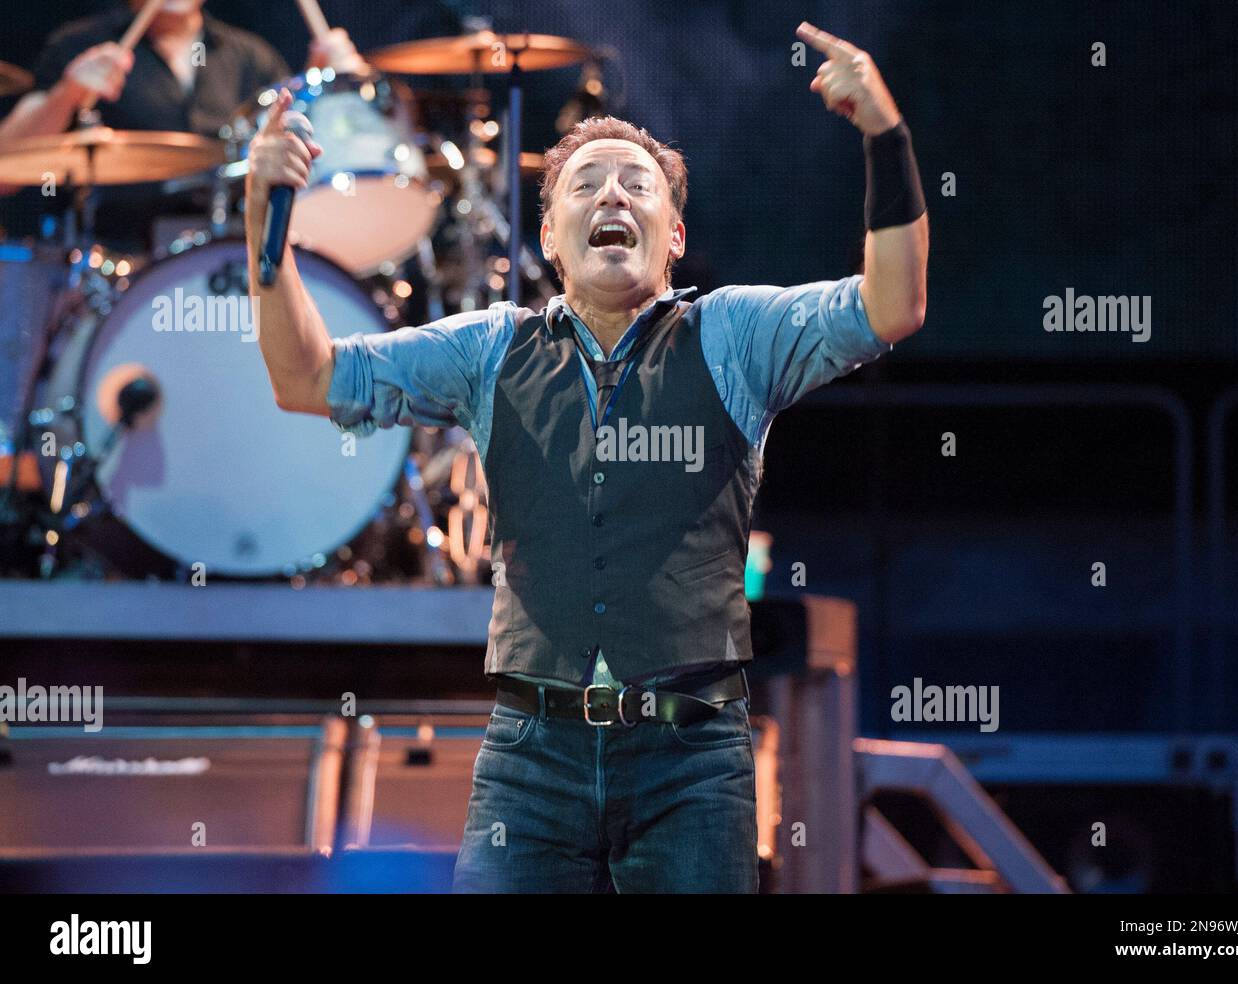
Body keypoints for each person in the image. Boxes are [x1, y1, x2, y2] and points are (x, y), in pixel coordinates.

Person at [245, 21, 929, 893]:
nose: (613, 196)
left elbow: (892, 304)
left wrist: (886, 135)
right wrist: (264, 217)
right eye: (587, 185)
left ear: (673, 237)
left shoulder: (732, 334)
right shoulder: (490, 349)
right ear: (551, 246)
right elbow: (305, 379)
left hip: (691, 757)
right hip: (531, 759)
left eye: (637, 185)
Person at [0, 0, 364, 249]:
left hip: (234, 265)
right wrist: (67, 92)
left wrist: (332, 88)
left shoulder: (251, 57)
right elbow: (6, 170)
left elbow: (314, 169)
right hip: (116, 266)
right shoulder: (78, 45)